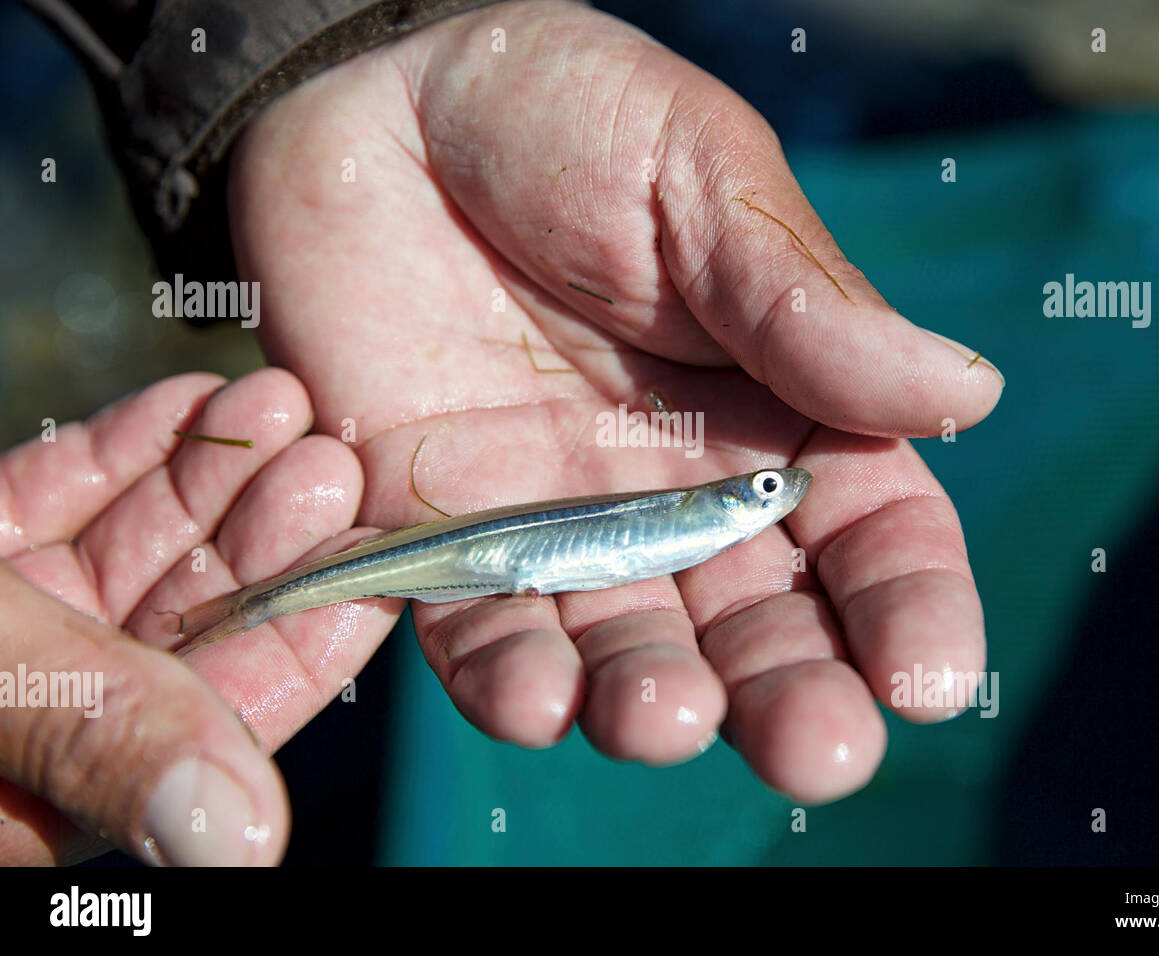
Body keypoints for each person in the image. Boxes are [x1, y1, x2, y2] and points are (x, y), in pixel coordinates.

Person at [5, 0, 1002, 865]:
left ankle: (252, 602)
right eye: (760, 491)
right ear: (721, 500)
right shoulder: (712, 517)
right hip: (475, 550)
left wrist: (333, 53)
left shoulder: (704, 520)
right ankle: (254, 601)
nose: (769, 496)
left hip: (481, 548)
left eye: (767, 495)